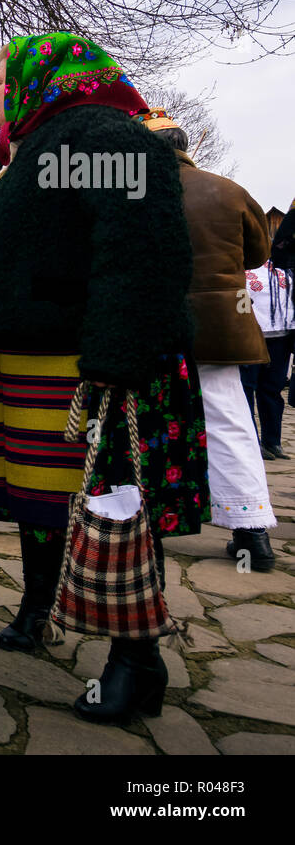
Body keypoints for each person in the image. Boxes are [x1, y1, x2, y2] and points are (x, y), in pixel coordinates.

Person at [0, 34, 206, 726]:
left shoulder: (105, 136)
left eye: (3, 77)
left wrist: (118, 356)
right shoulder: (17, 153)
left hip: (87, 362)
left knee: (110, 504)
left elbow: (142, 246)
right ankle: (40, 605)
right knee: (39, 498)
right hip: (24, 353)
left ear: (43, 77)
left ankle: (136, 657)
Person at [137, 108, 277, 572]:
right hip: (220, 324)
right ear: (183, 147)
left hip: (153, 326)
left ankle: (149, 524)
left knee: (148, 423)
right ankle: (252, 533)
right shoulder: (228, 190)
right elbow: (256, 254)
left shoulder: (129, 193)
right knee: (229, 420)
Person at [238, 254, 294, 460]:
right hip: (251, 336)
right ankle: (251, 442)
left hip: (281, 337)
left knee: (272, 390)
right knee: (247, 389)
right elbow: (239, 301)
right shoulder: (242, 268)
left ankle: (272, 441)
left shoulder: (284, 268)